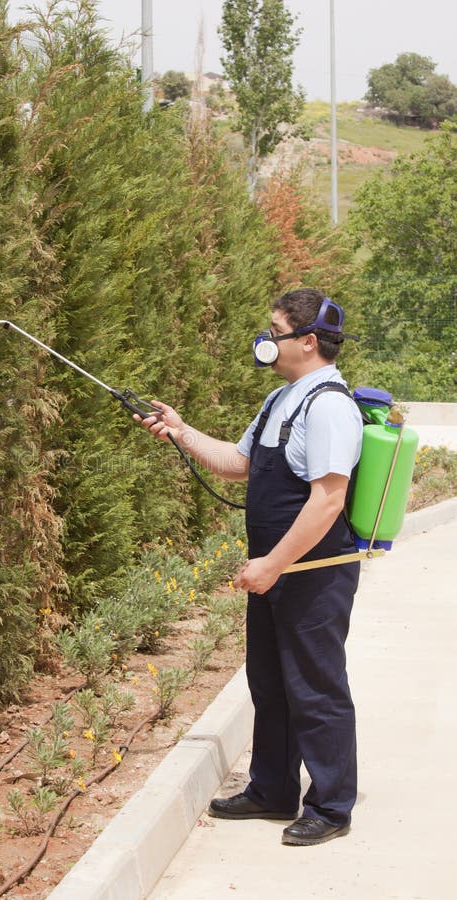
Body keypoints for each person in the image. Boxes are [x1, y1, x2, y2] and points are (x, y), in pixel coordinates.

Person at [137, 288, 363, 846]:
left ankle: (331, 806)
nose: (265, 340)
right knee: (270, 683)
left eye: (274, 330)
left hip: (315, 573)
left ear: (307, 342)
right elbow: (239, 464)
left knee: (316, 687)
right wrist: (181, 431)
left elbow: (328, 500)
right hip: (277, 571)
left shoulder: (330, 405)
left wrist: (272, 566)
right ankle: (272, 790)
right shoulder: (281, 398)